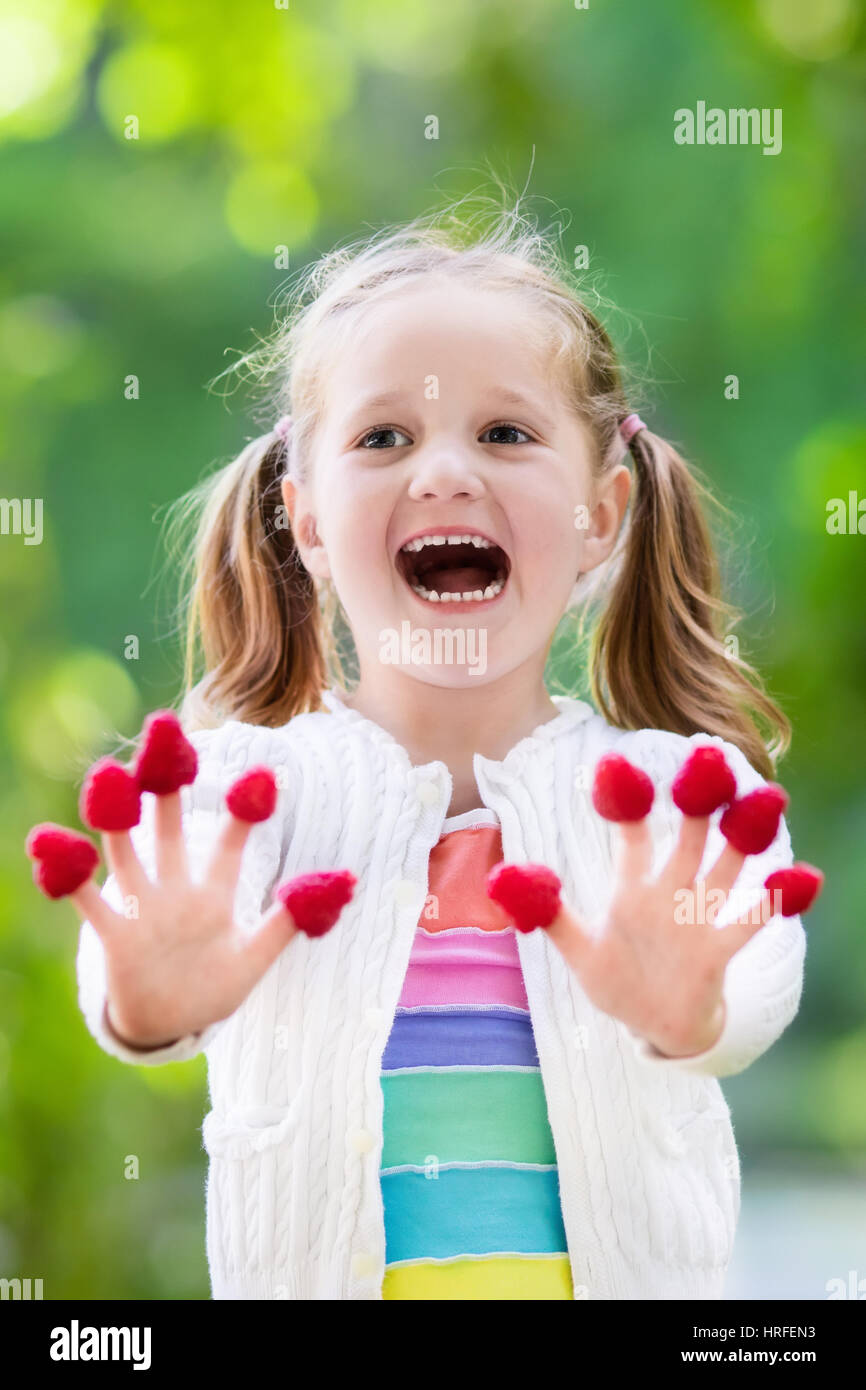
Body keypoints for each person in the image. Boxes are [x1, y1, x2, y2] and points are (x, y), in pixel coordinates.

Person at [69, 196, 807, 1300]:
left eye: (504, 433)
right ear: (307, 521)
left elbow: (751, 982)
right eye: (383, 438)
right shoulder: (237, 797)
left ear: (601, 514)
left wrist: (690, 1009)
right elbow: (132, 978)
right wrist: (144, 1002)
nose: (445, 473)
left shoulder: (678, 803)